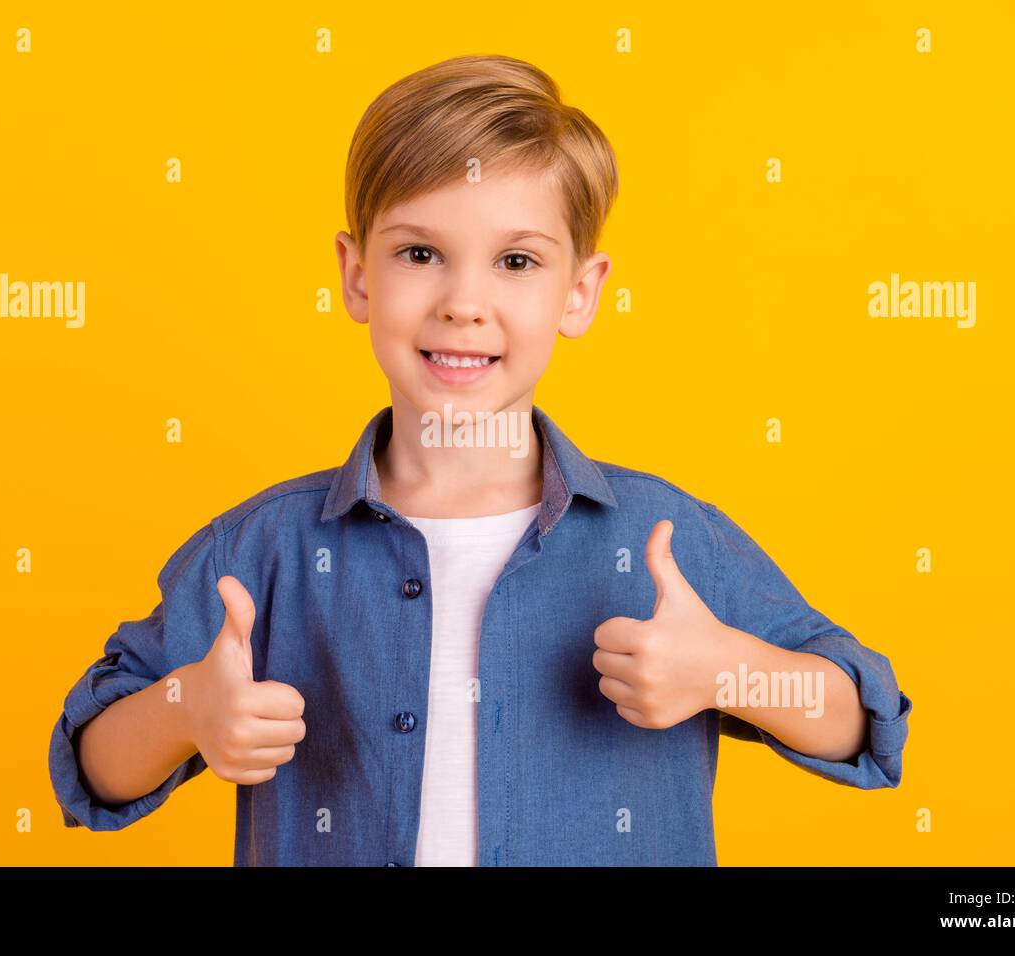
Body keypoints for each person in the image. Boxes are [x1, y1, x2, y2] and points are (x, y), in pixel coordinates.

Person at [48, 53, 911, 866]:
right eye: (420, 254)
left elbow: (858, 723)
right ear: (356, 276)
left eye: (515, 261)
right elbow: (91, 765)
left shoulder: (664, 537)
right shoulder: (264, 548)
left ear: (580, 292)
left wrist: (731, 668)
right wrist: (187, 710)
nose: (465, 304)